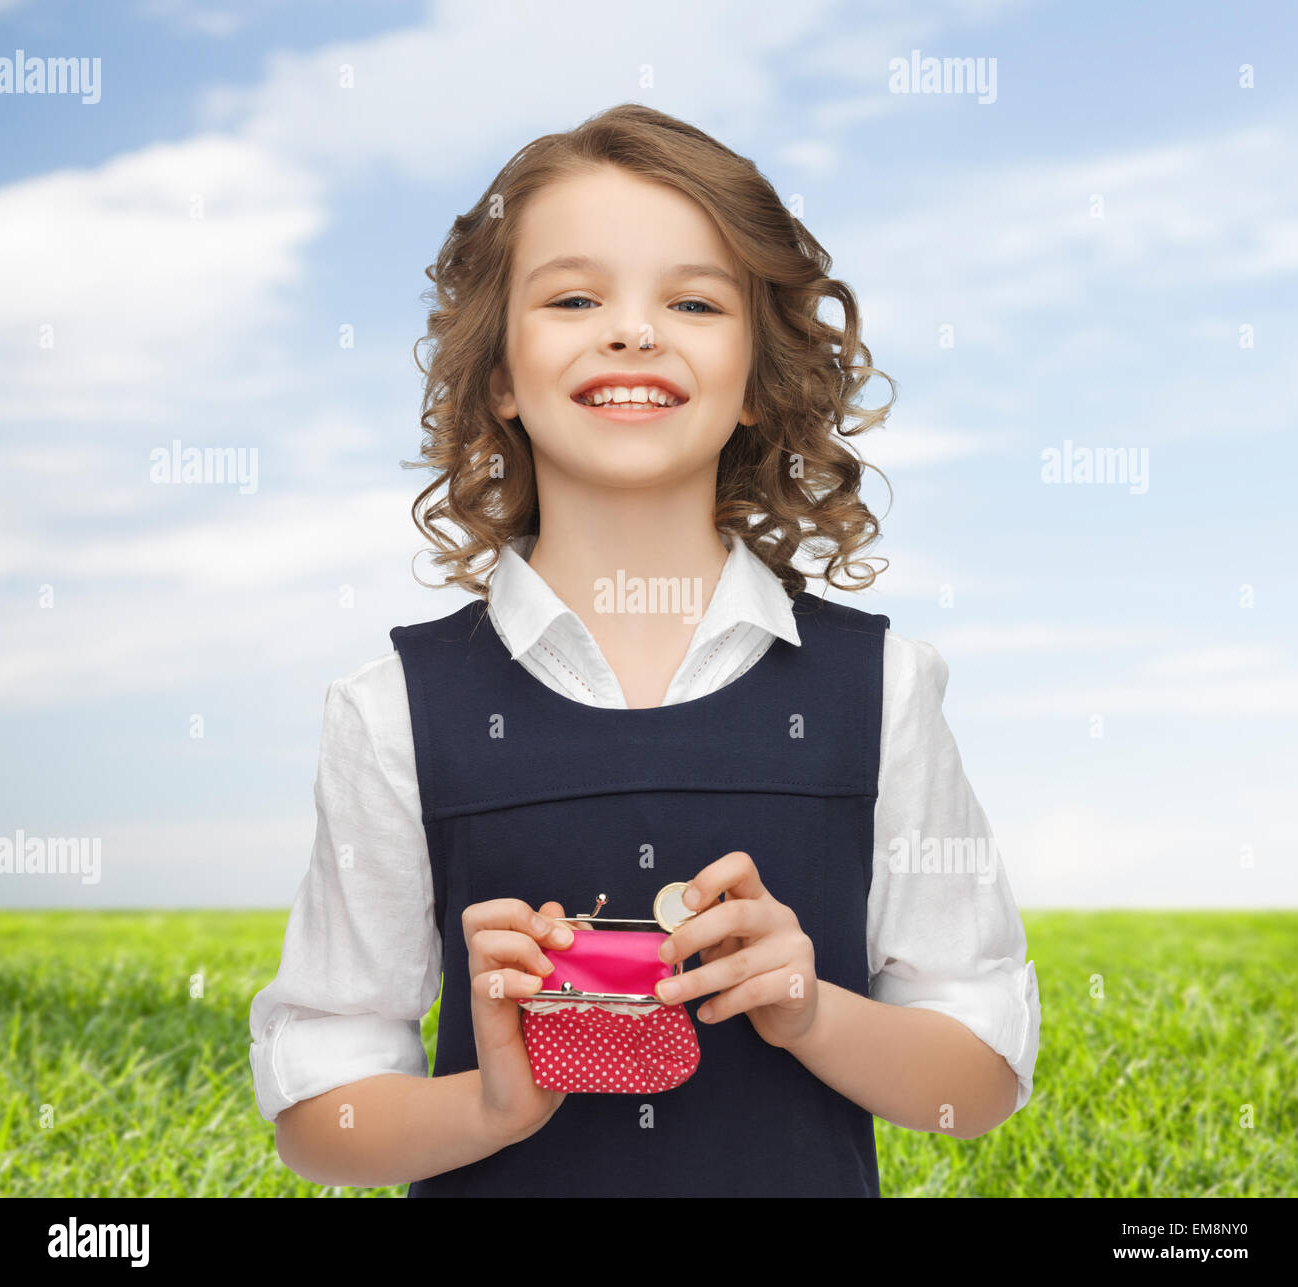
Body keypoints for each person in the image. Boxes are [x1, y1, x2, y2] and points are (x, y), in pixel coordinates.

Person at [249, 102, 1040, 1198]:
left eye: (693, 300)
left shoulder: (881, 689)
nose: (631, 331)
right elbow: (316, 1119)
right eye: (574, 298)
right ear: (497, 376)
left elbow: (980, 1081)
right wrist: (488, 1104)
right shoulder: (392, 710)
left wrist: (807, 1009)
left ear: (761, 376)